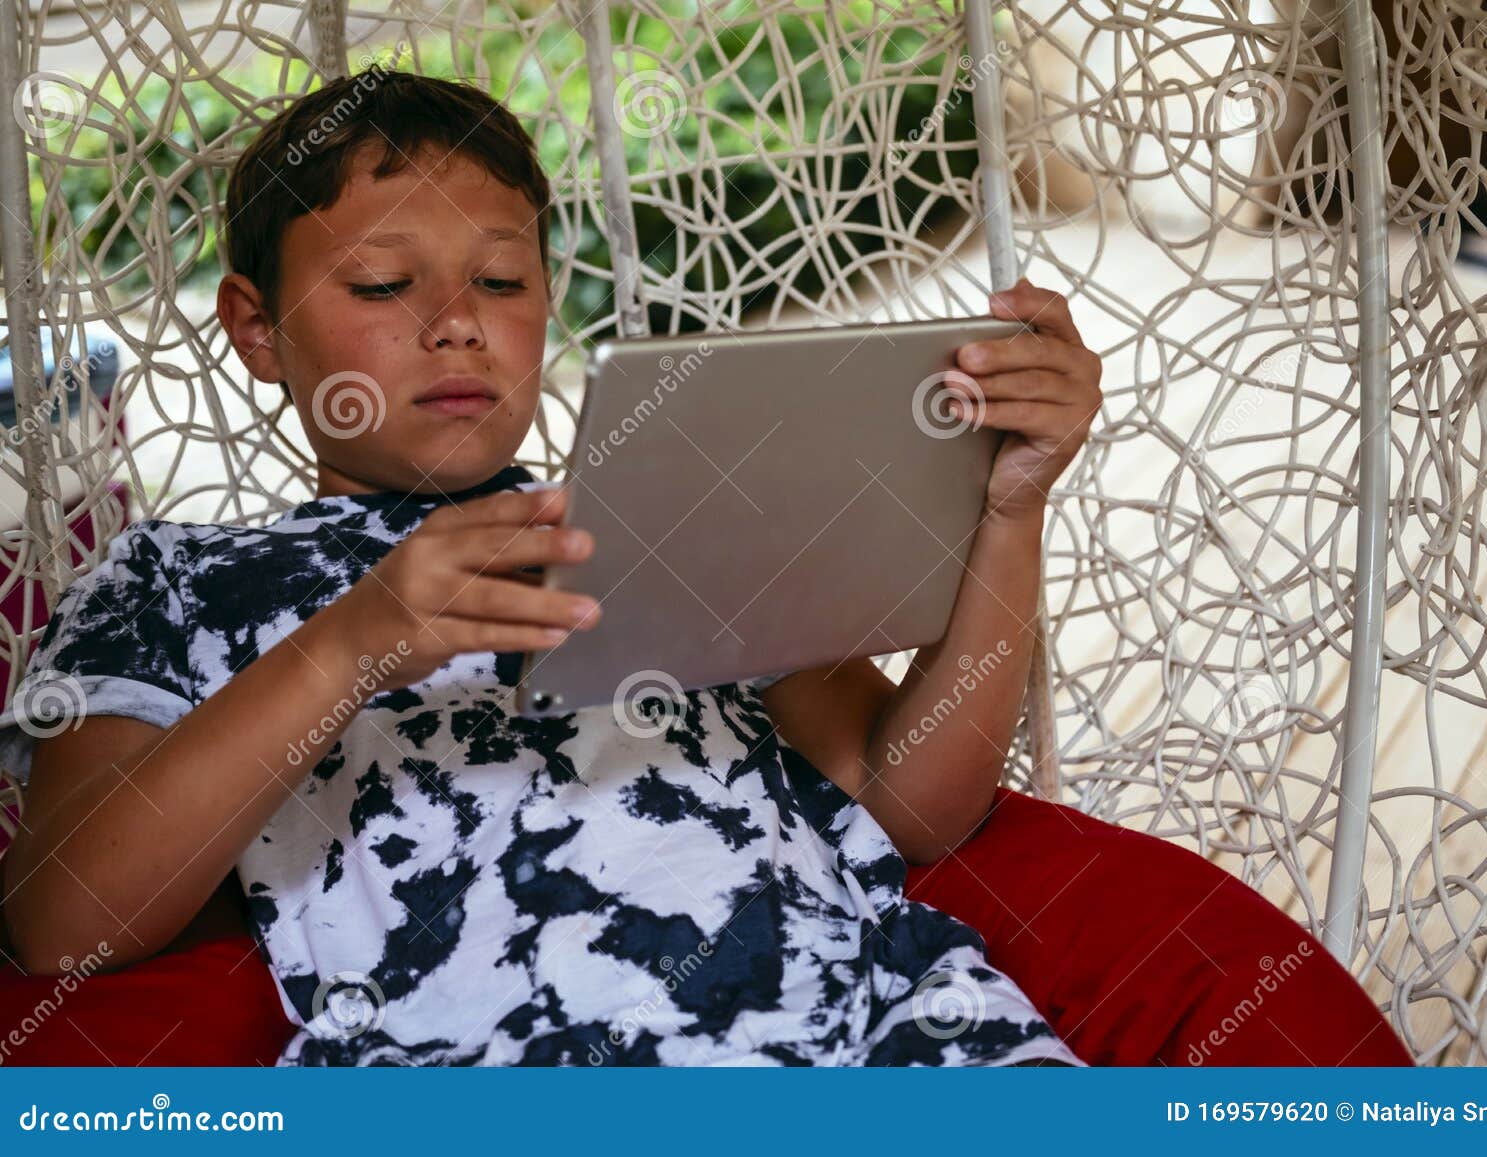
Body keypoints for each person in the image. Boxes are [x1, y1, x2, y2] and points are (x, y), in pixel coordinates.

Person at [0, 67, 1105, 1067]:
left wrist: (1010, 508)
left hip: (881, 1036)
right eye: (381, 286)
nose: (455, 326)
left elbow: (907, 808)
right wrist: (351, 643)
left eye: (501, 281)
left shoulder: (659, 517)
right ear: (256, 329)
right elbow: (61, 920)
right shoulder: (175, 581)